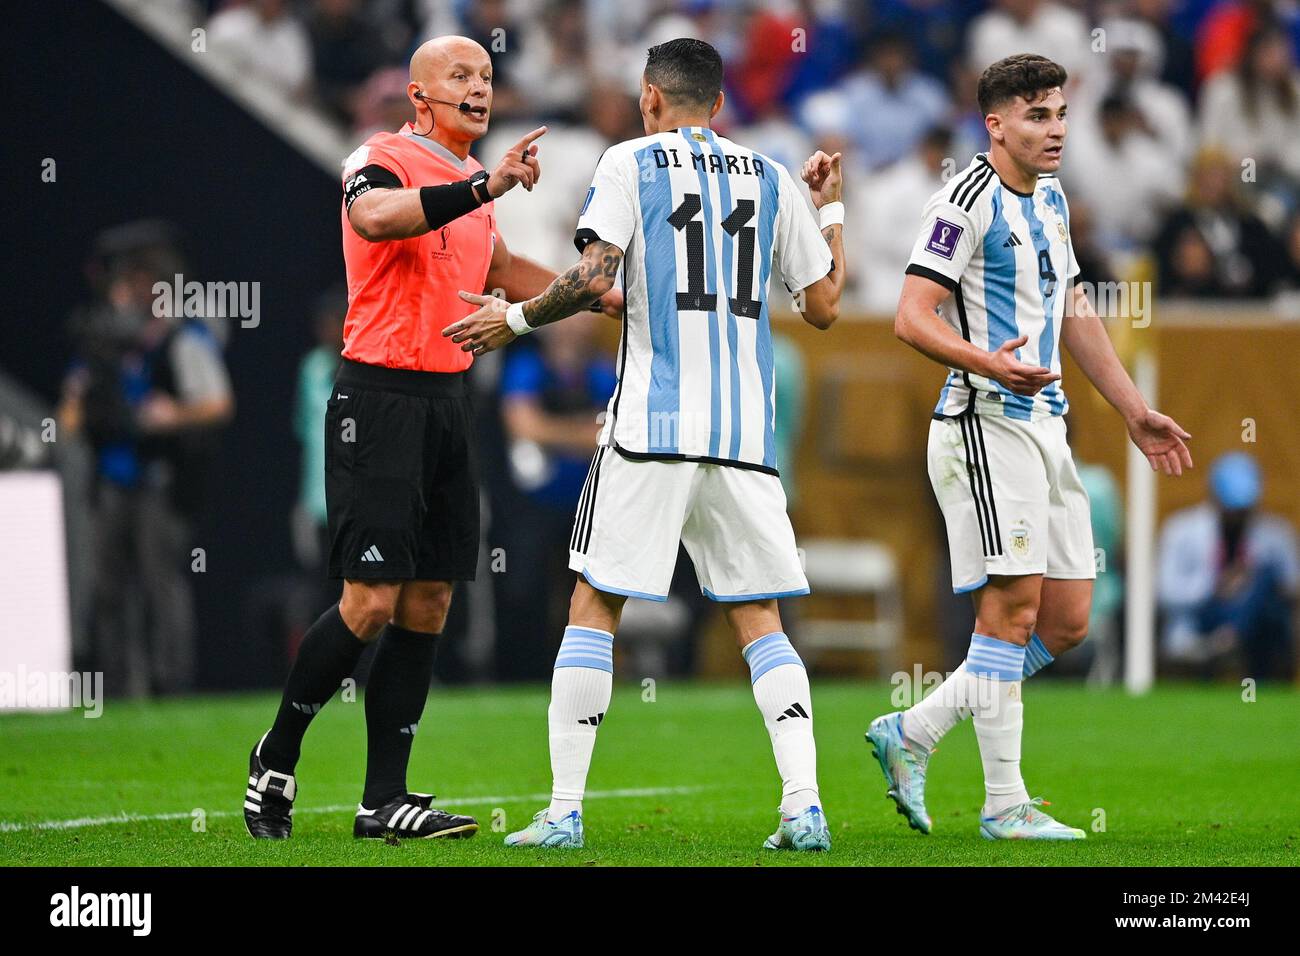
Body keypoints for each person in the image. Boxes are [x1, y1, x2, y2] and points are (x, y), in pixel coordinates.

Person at [446, 37, 847, 851]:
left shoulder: (629, 163)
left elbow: (596, 277)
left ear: (651, 98)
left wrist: (513, 319)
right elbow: (827, 306)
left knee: (595, 602)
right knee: (758, 616)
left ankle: (563, 811)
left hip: (650, 429)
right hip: (741, 435)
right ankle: (803, 803)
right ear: (720, 104)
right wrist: (830, 209)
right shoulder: (771, 176)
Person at [242, 35, 619, 841]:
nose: (478, 88)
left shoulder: (471, 194)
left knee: (429, 599)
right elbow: (374, 220)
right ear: (420, 95)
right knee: (369, 602)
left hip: (448, 401)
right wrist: (485, 183)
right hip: (379, 398)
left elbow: (502, 270)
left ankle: (385, 801)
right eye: (460, 76)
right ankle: (276, 752)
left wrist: (599, 297)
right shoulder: (379, 156)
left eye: (486, 77)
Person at [865, 53, 1193, 841]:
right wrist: (991, 364)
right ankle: (1005, 806)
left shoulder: (1050, 198)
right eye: (1038, 115)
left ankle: (915, 730)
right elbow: (912, 316)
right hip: (983, 423)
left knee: (1069, 618)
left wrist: (1133, 409)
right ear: (996, 124)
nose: (1055, 130)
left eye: (1060, 113)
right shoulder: (963, 199)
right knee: (1010, 613)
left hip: (1048, 424)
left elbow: (1073, 305)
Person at [1158, 452, 1298, 680]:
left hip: (1262, 629)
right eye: (1232, 508)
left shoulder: (1277, 534)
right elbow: (1165, 592)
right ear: (1214, 496)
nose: (1238, 516)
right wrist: (1216, 587)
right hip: (1200, 617)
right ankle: (1228, 639)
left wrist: (1252, 585)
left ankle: (1230, 638)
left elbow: (1292, 587)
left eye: (1243, 509)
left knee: (1266, 576)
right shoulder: (1180, 530)